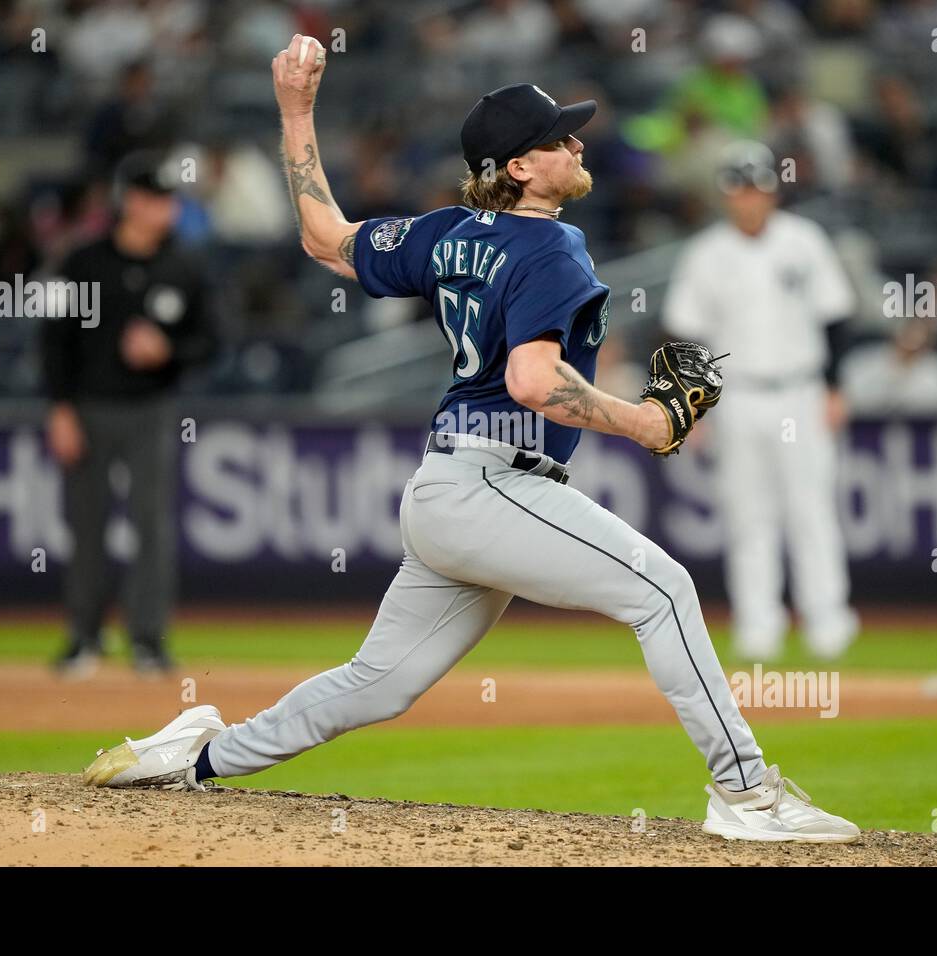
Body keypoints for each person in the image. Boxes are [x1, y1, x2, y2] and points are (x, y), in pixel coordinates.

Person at [81, 36, 860, 844]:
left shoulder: (444, 232)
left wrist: (295, 111)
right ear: (519, 167)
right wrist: (643, 422)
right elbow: (530, 382)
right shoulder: (552, 245)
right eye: (559, 138)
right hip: (493, 483)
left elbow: (321, 236)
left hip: (447, 491)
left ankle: (196, 759)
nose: (577, 143)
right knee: (663, 590)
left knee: (375, 685)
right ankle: (748, 796)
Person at [663, 141, 859, 662]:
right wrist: (691, 407)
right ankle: (758, 625)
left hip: (800, 389)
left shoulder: (803, 241)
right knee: (748, 515)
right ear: (727, 196)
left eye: (756, 188)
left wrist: (836, 388)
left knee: (810, 508)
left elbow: (836, 318)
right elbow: (685, 336)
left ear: (771, 191)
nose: (748, 199)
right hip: (739, 396)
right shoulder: (706, 253)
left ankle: (828, 620)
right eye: (738, 190)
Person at [41, 150, 216, 678]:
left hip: (150, 408)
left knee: (151, 524)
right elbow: (54, 342)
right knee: (86, 524)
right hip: (90, 406)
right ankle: (84, 637)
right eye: (157, 198)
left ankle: (147, 639)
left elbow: (211, 340)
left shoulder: (183, 265)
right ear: (131, 201)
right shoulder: (83, 262)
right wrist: (61, 409)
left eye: (170, 198)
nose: (166, 208)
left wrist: (169, 351)